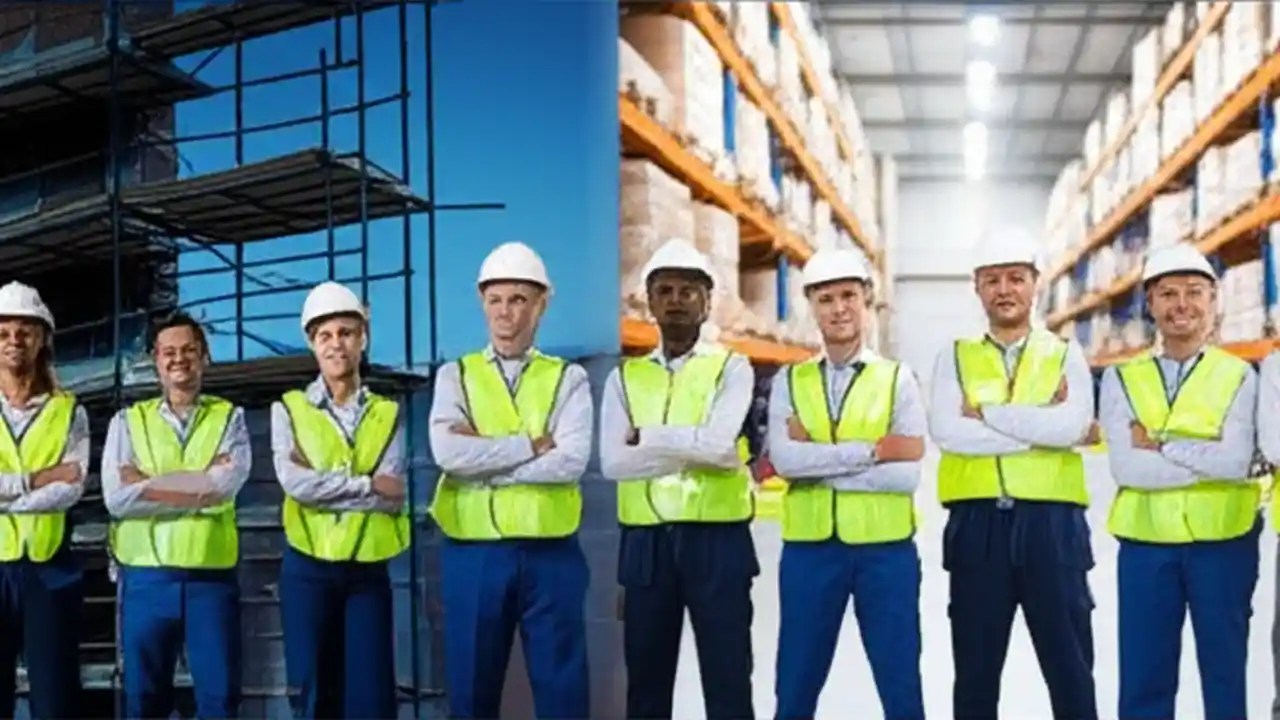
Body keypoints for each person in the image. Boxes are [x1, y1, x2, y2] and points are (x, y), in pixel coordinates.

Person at [927, 230, 1098, 719]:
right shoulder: (953, 355)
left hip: (1053, 528)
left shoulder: (1066, 353)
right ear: (977, 287)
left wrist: (987, 413)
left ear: (1035, 284)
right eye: (993, 279)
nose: (1005, 289)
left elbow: (1072, 426)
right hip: (976, 528)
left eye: (1016, 278)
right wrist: (1039, 422)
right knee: (976, 674)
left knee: (1070, 669)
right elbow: (948, 432)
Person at [427, 241, 592, 719]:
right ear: (482, 303)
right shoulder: (454, 376)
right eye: (495, 300)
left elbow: (571, 461)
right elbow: (449, 454)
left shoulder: (569, 379)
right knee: (471, 689)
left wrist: (485, 461)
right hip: (473, 553)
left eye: (518, 300)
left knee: (563, 693)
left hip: (551, 553)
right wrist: (528, 444)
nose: (505, 313)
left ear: (541, 304)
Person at [600, 237, 757, 720]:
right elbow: (614, 464)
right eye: (664, 290)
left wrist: (645, 436)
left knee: (728, 680)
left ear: (707, 301)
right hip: (646, 549)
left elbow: (720, 445)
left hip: (719, 545)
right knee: (646, 685)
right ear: (648, 301)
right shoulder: (623, 379)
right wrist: (697, 447)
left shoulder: (733, 368)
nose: (675, 300)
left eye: (688, 291)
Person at [1104, 243, 1260, 720]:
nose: (1182, 305)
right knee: (1144, 677)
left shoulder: (1240, 376)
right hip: (1146, 545)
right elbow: (1128, 469)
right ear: (1149, 305)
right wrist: (1199, 449)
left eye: (1195, 292)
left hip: (1224, 543)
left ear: (1215, 302)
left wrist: (1162, 443)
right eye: (1167, 294)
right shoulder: (1121, 379)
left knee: (1225, 671)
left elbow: (1234, 461)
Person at [768, 248, 926, 720]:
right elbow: (786, 461)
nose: (838, 308)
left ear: (865, 301)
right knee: (795, 682)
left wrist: (817, 457)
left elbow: (906, 474)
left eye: (848, 296)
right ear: (811, 306)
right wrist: (874, 448)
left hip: (886, 552)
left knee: (900, 682)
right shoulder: (788, 381)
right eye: (826, 298)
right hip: (809, 552)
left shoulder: (899, 380)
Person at [101, 312, 252, 718]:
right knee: (143, 700)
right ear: (155, 359)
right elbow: (118, 499)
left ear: (204, 356)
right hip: (146, 581)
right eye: (169, 351)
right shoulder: (127, 422)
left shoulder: (230, 418)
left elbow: (224, 488)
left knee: (219, 701)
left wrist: (148, 483)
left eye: (189, 350)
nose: (179, 359)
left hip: (210, 580)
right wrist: (198, 485)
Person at [272, 281, 409, 719]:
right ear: (312, 344)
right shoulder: (289, 408)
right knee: (313, 695)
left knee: (371, 699)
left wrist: (328, 485)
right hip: (307, 567)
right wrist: (366, 485)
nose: (337, 345)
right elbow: (297, 484)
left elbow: (396, 492)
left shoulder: (388, 412)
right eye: (325, 335)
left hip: (367, 571)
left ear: (363, 338)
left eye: (346, 333)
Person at [0, 281, 89, 719]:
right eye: (3, 332)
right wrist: (35, 478)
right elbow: (52, 483)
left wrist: (5, 492)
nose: (14, 340)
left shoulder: (70, 411)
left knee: (55, 698)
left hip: (50, 569)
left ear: (42, 339)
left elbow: (69, 489)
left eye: (25, 331)